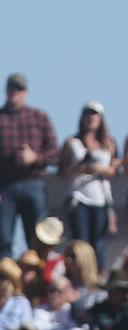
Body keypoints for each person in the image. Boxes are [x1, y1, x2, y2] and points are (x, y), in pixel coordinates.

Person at [0, 72, 60, 261]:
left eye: (19, 90)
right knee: (3, 239)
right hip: (3, 186)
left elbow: (54, 152)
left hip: (33, 183)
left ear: (25, 93)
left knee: (38, 237)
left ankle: (37, 279)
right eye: (11, 89)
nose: (15, 93)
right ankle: (4, 278)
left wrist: (35, 157)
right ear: (6, 91)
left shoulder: (40, 118)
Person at [60, 102, 120, 269]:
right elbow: (62, 170)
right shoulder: (73, 142)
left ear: (101, 118)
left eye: (94, 114)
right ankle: (81, 277)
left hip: (101, 198)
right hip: (78, 197)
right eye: (87, 114)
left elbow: (114, 168)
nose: (91, 118)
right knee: (81, 242)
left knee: (99, 243)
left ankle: (97, 279)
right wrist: (80, 167)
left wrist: (100, 169)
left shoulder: (109, 142)